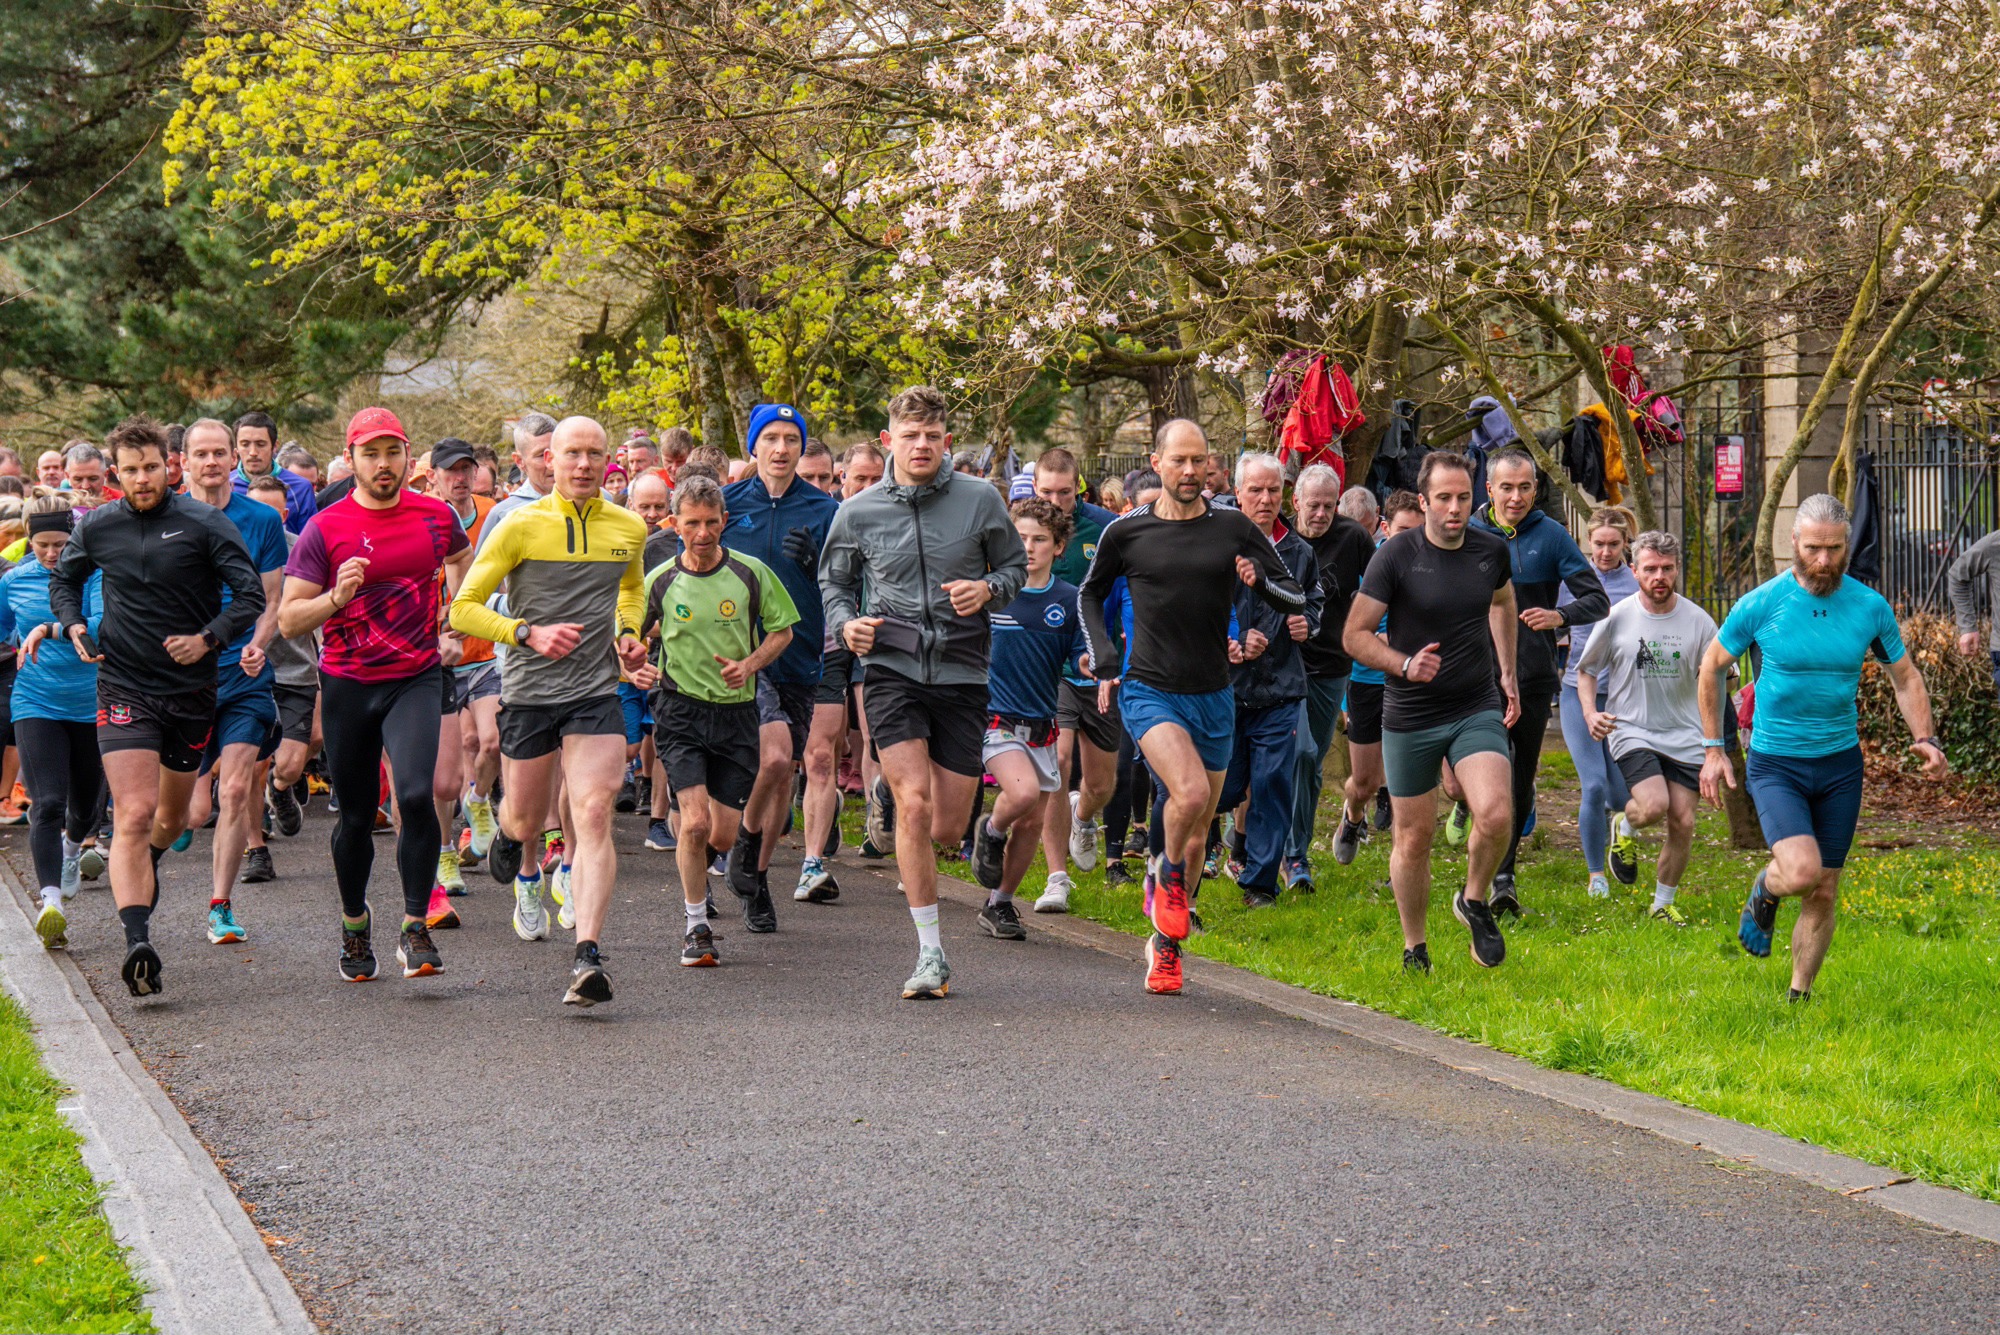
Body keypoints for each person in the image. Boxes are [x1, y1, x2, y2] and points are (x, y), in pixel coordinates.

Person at [1080, 419, 1306, 995]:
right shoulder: (1127, 532)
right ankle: (1168, 877)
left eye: (1198, 461)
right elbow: (1090, 593)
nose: (1189, 471)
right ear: (1156, 462)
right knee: (1190, 794)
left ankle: (1165, 947)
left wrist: (1259, 583)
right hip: (1149, 689)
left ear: (1210, 466)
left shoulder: (1233, 527)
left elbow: (1295, 594)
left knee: (1199, 828)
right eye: (1178, 460)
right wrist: (1105, 656)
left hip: (1215, 694)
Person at [820, 385, 1028, 998]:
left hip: (963, 669)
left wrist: (988, 589)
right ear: (889, 440)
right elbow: (834, 583)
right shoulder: (858, 510)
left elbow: (1015, 568)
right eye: (909, 436)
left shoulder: (980, 499)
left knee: (946, 827)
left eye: (932, 437)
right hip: (891, 667)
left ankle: (888, 789)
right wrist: (846, 625)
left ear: (946, 440)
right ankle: (930, 953)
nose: (921, 446)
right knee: (915, 805)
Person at [1699, 494, 1948, 1001]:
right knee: (1801, 870)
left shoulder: (1868, 607)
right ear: (1794, 542)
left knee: (1825, 887)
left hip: (1839, 765)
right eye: (1813, 548)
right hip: (1777, 763)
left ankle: (1799, 996)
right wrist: (1713, 749)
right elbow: (1710, 669)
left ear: (1846, 545)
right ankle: (1767, 887)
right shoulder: (1762, 603)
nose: (1823, 560)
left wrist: (1924, 737)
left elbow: (1905, 677)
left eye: (1834, 549)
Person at [50, 415, 266, 997]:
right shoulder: (99, 526)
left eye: (151, 468)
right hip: (123, 685)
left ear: (169, 468)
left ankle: (142, 865)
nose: (142, 479)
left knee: (174, 821)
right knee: (133, 813)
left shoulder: (205, 522)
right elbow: (64, 581)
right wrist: (74, 624)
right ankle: (137, 942)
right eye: (131, 470)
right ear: (115, 473)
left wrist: (208, 639)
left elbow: (250, 595)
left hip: (191, 692)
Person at [450, 416, 649, 1007]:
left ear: (608, 460)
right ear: (548, 460)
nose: (584, 465)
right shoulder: (518, 525)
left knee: (593, 812)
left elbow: (631, 589)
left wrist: (629, 631)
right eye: (572, 454)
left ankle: (587, 955)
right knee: (526, 820)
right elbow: (463, 608)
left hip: (594, 690)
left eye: (594, 454)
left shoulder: (628, 526)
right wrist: (526, 633)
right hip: (531, 692)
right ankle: (510, 834)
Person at [279, 407, 470, 985]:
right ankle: (354, 922)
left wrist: (455, 617)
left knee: (415, 795)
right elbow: (289, 619)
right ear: (352, 459)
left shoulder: (436, 516)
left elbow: (461, 558)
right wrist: (335, 597)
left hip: (415, 675)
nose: (383, 464)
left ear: (409, 456)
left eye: (393, 452)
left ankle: (415, 927)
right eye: (371, 454)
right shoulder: (326, 527)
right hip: (349, 683)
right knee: (359, 816)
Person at [1342, 451, 1518, 974]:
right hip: (1411, 713)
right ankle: (1415, 946)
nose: (1454, 508)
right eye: (1443, 498)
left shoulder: (1490, 551)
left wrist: (1507, 670)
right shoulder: (1396, 556)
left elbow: (1502, 603)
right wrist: (1402, 664)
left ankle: (1473, 899)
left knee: (1496, 814)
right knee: (1414, 837)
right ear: (1424, 501)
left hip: (1473, 703)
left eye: (1463, 497)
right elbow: (1354, 635)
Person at [639, 474, 798, 967]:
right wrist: (632, 664)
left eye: (711, 522)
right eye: (692, 523)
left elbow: (783, 631)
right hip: (679, 710)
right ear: (674, 524)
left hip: (736, 714)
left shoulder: (750, 573)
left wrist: (749, 665)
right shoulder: (659, 579)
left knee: (722, 836)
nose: (703, 533)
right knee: (695, 823)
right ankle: (696, 927)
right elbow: (626, 635)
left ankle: (701, 872)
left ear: (725, 521)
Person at [1465, 448, 1607, 916]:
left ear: (1535, 489)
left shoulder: (1552, 536)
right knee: (1480, 777)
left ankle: (1502, 878)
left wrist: (1558, 615)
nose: (1516, 497)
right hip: (1473, 675)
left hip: (1531, 675)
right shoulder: (1468, 532)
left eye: (1525, 487)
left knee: (1519, 779)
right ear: (1490, 489)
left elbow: (1597, 600)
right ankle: (1472, 824)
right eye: (1506, 487)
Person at [720, 404, 839, 934]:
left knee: (781, 772)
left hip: (800, 653)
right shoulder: (728, 504)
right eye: (771, 437)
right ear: (754, 445)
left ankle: (757, 878)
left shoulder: (825, 510)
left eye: (792, 438)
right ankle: (743, 844)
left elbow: (845, 581)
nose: (781, 448)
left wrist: (816, 564)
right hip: (739, 654)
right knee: (772, 757)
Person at [180, 420, 289, 940]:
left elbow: (273, 600)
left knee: (238, 786)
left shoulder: (261, 519)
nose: (211, 462)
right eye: (200, 453)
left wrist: (259, 644)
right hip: (184, 678)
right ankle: (178, 818)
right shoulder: (165, 517)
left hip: (245, 675)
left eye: (219, 453)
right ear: (184, 462)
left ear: (233, 459)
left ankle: (220, 906)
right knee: (191, 812)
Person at [1573, 531, 1714, 925]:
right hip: (1631, 728)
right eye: (1650, 569)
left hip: (1685, 732)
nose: (1659, 577)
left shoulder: (1699, 621)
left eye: (1667, 568)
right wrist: (1590, 713)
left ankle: (1661, 903)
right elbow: (1585, 671)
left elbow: (1719, 676)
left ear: (1677, 569)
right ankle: (1626, 822)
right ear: (1634, 570)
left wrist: (1716, 727)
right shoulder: (1617, 617)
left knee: (1683, 821)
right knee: (1653, 805)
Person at [970, 498, 1086, 939]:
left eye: (1040, 539)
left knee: (1033, 823)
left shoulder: (1069, 600)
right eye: (1020, 538)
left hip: (1042, 725)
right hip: (995, 719)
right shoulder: (989, 592)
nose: (1029, 547)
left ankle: (999, 904)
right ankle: (990, 829)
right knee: (1020, 795)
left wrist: (1092, 664)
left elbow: (1080, 656)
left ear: (1058, 547)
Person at [1215, 452, 1322, 906]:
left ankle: (1260, 884)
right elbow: (1195, 605)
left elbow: (1313, 602)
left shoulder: (1299, 551)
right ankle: (1207, 849)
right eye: (1255, 490)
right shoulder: (1217, 543)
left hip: (1281, 686)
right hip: (1225, 687)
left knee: (1272, 783)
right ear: (1238, 492)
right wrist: (1231, 638)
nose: (1264, 499)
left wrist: (1307, 624)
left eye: (1273, 490)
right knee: (1226, 785)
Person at [10, 501, 105, 949]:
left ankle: (72, 851)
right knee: (47, 803)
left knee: (84, 810)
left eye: (61, 546)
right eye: (42, 545)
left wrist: (50, 628)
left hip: (92, 703)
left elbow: (102, 628)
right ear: (29, 542)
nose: (51, 554)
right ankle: (51, 905)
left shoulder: (96, 575)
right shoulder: (13, 581)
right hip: (36, 701)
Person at [795, 441, 889, 897]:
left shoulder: (862, 517)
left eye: (822, 478)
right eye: (808, 478)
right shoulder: (794, 514)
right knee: (785, 757)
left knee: (837, 747)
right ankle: (809, 808)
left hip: (851, 643)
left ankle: (817, 859)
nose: (817, 486)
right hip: (790, 647)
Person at [1032, 447, 1123, 904]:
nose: (1055, 502)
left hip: (1100, 665)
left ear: (1078, 487)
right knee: (1058, 761)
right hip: (1052, 668)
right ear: (1034, 488)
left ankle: (1083, 817)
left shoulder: (1105, 528)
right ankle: (1056, 878)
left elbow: (1125, 589)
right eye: (1046, 492)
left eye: (1064, 493)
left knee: (1101, 783)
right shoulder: (1022, 530)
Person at [1284, 463, 1374, 889]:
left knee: (1311, 762)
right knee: (1298, 753)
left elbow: (1381, 585)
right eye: (1313, 505)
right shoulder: (1280, 536)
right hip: (1283, 663)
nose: (1321, 514)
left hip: (1331, 665)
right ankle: (1290, 854)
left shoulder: (1352, 537)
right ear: (1296, 502)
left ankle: (1291, 851)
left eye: (1329, 506)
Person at [1331, 490, 1422, 864]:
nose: (1411, 540)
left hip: (1414, 683)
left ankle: (1402, 866)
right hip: (1368, 681)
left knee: (1408, 782)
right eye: (1403, 531)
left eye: (1418, 531)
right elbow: (1352, 633)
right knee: (1365, 781)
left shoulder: (1434, 566)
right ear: (1386, 527)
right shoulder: (1370, 564)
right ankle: (1353, 815)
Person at [1556, 507, 1640, 897]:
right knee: (1592, 785)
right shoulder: (1571, 581)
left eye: (1613, 545)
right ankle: (1596, 875)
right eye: (1599, 545)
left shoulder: (1637, 584)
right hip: (1577, 693)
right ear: (1588, 542)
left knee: (1622, 797)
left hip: (1622, 699)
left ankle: (1618, 829)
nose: (1605, 553)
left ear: (1625, 544)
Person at [429, 439, 501, 890]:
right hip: (436, 659)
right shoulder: (422, 517)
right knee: (446, 774)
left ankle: (478, 800)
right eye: (450, 471)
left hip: (485, 652)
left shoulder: (493, 514)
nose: (459, 478)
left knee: (492, 741)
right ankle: (443, 854)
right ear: (433, 476)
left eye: (466, 470)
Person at [243, 477, 321, 844]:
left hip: (296, 667)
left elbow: (320, 608)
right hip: (249, 670)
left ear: (284, 515)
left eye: (270, 513)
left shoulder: (302, 550)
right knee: (251, 762)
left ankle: (280, 787)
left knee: (292, 760)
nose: (261, 518)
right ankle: (255, 845)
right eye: (254, 510)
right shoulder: (231, 549)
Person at [231, 411, 317, 534]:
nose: (253, 452)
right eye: (245, 444)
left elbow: (308, 541)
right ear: (236, 449)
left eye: (260, 444)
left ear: (275, 446)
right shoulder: (224, 486)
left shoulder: (301, 488)